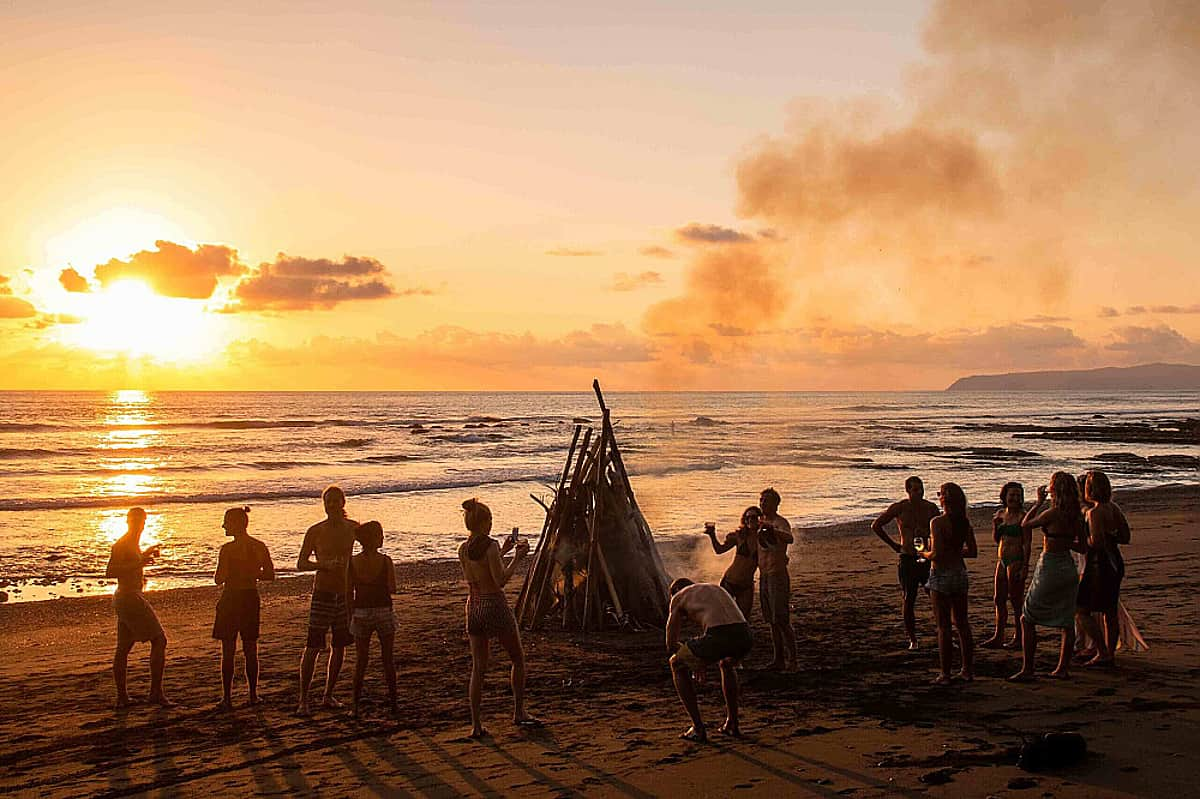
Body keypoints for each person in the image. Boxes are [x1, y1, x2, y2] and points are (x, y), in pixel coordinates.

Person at [458, 498, 539, 738]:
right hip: (494, 603)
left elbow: (481, 568)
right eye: (490, 520)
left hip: (473, 605)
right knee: (517, 658)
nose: (492, 524)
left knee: (478, 667)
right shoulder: (490, 546)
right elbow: (500, 579)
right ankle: (519, 711)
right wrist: (517, 559)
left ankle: (476, 724)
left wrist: (503, 551)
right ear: (484, 523)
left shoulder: (463, 548)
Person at [1009, 472, 1086, 682]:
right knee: (1066, 621)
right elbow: (1083, 546)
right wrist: (1066, 542)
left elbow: (1025, 524)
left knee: (1028, 616)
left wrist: (1037, 503)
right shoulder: (1076, 516)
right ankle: (1062, 667)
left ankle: (1028, 668)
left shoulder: (1052, 513)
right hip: (1067, 567)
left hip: (1050, 566)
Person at [665, 578, 753, 743]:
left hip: (719, 635)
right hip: (745, 634)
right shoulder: (712, 588)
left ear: (675, 591)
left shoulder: (678, 597)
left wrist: (692, 660)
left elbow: (670, 644)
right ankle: (732, 723)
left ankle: (697, 728)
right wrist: (695, 658)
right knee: (726, 663)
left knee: (676, 663)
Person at [295, 485, 358, 715]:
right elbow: (301, 563)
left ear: (342, 503)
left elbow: (370, 547)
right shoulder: (315, 531)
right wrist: (323, 565)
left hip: (344, 594)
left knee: (340, 646)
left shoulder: (353, 528)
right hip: (322, 593)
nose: (331, 505)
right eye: (327, 502)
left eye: (335, 501)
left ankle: (328, 694)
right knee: (313, 646)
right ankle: (303, 699)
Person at [105, 507, 172, 708]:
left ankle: (122, 698)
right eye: (134, 521)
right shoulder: (122, 544)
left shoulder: (133, 543)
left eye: (141, 521)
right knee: (159, 640)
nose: (139, 525)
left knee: (123, 648)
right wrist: (140, 562)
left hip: (128, 597)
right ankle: (155, 693)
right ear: (128, 522)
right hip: (128, 597)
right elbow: (110, 571)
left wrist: (145, 555)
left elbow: (132, 562)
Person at [212, 506, 274, 709]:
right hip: (250, 597)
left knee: (228, 649)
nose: (223, 526)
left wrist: (235, 572)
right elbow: (270, 575)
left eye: (226, 522)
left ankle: (227, 697)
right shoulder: (259, 546)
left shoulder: (227, 549)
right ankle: (253, 694)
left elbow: (218, 579)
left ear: (237, 524)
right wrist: (251, 573)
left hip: (231, 598)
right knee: (250, 648)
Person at [871, 476, 940, 650]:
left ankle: (943, 632)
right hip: (907, 556)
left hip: (926, 557)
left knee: (936, 596)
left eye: (921, 488)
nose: (919, 492)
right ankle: (913, 639)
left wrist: (929, 538)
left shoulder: (930, 508)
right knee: (909, 598)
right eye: (915, 489)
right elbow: (877, 525)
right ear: (908, 490)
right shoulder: (900, 508)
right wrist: (894, 545)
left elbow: (941, 529)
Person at [922, 483, 978, 685]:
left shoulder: (937, 522)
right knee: (962, 624)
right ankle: (967, 670)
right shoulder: (964, 522)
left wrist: (923, 553)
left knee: (943, 627)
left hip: (941, 574)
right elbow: (972, 551)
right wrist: (955, 552)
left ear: (944, 500)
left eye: (940, 494)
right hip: (959, 573)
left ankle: (945, 673)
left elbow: (935, 554)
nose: (939, 497)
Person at [1075, 470, 1129, 667]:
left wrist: (1082, 538)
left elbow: (1095, 542)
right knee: (1109, 610)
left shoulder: (1094, 512)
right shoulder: (1113, 508)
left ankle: (1102, 650)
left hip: (1099, 563)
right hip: (1115, 559)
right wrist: (1110, 536)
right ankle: (1108, 652)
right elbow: (1125, 536)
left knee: (1081, 609)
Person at [348, 520, 398, 718]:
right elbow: (392, 587)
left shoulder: (352, 562)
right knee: (388, 659)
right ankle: (393, 702)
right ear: (375, 539)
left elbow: (347, 591)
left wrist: (349, 614)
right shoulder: (385, 561)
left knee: (361, 660)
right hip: (383, 610)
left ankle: (355, 704)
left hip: (361, 612)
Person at [980, 482, 1031, 650]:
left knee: (1016, 601)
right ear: (1005, 497)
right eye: (1012, 495)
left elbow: (1027, 544)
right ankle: (999, 635)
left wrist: (1025, 567)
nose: (1015, 498)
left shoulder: (1023, 517)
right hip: (1001, 559)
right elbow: (997, 540)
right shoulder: (1001, 514)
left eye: (1018, 495)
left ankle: (1019, 635)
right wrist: (995, 527)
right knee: (998, 599)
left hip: (1016, 559)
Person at [756, 487, 796, 670]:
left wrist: (772, 531)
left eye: (766, 501)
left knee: (782, 620)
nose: (762, 503)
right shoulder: (759, 522)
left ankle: (793, 659)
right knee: (771, 621)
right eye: (761, 500)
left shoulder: (780, 523)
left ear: (775, 504)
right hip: (764, 575)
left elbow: (790, 538)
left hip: (777, 574)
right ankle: (778, 658)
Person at [703, 506, 761, 618]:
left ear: (760, 519)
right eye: (747, 517)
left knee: (743, 618)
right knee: (723, 616)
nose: (750, 520)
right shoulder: (739, 536)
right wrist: (712, 535)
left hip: (746, 585)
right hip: (729, 581)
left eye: (753, 517)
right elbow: (719, 550)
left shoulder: (763, 538)